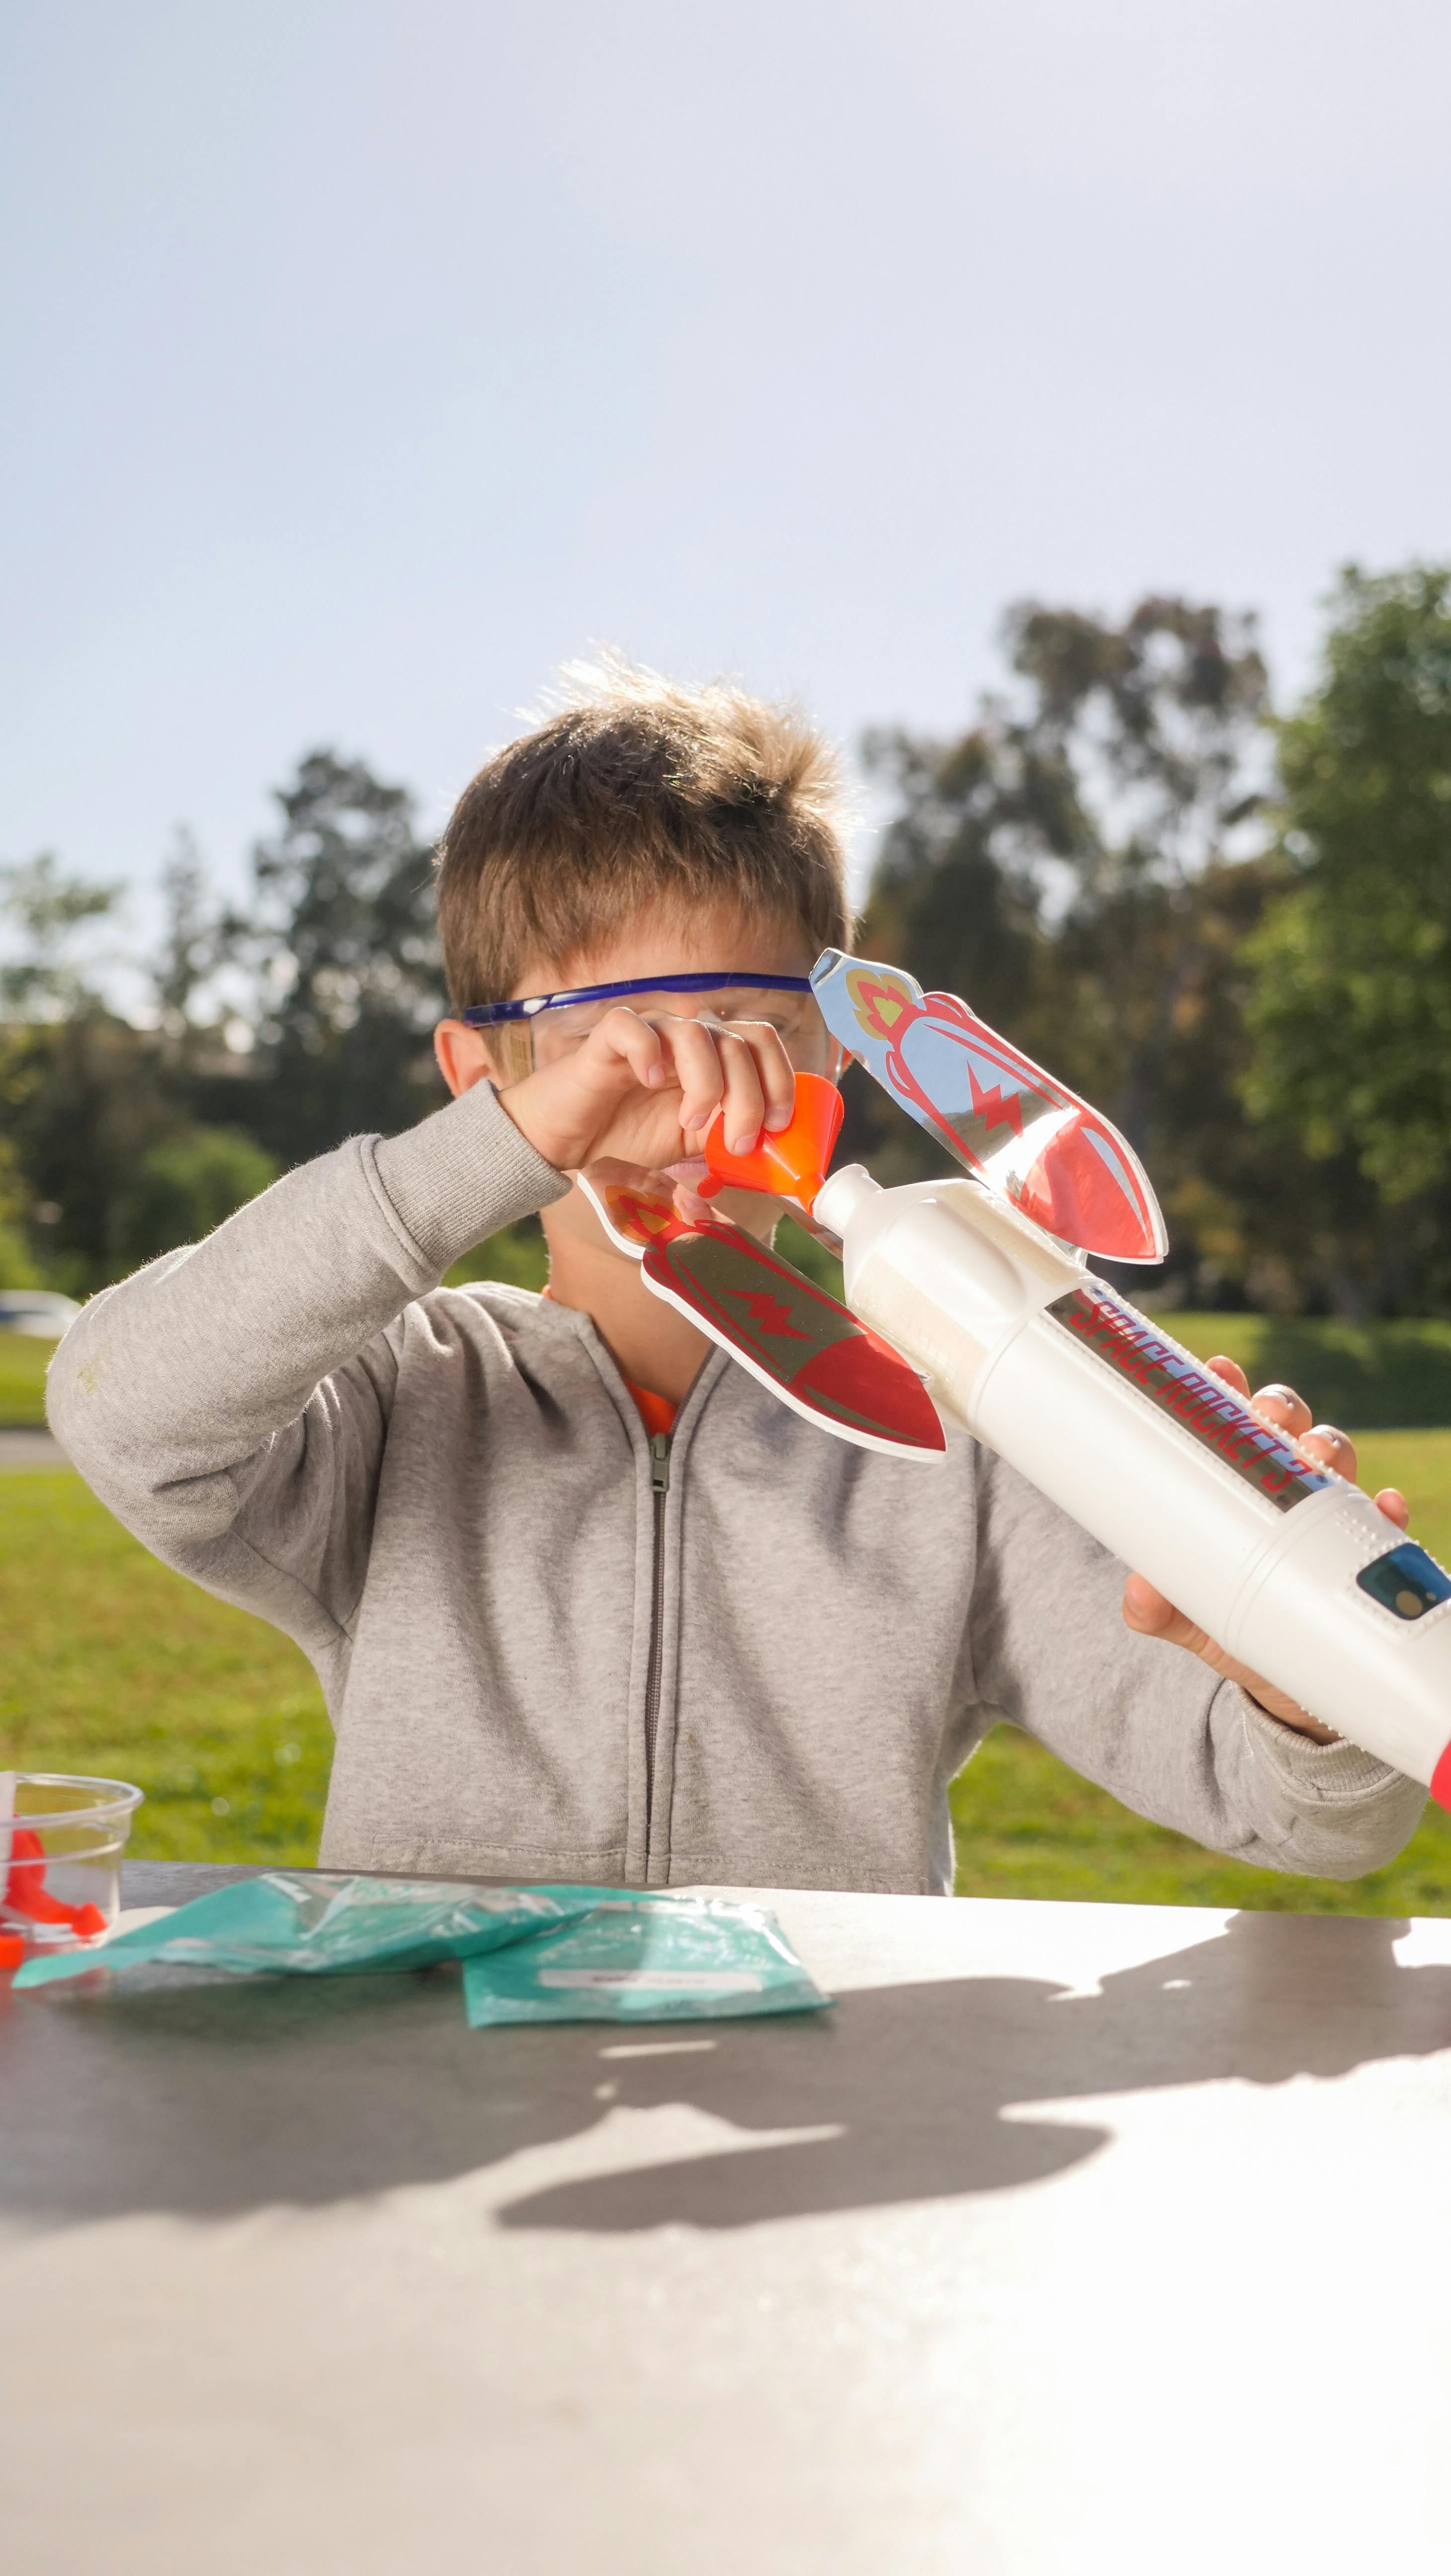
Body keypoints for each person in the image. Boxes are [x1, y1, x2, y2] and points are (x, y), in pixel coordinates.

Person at [48, 663, 1426, 1893]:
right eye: (628, 1048)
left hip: (811, 2130)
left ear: (830, 1066)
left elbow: (1309, 1821)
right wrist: (499, 1156)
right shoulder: (405, 1399)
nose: (698, 1097)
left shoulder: (946, 1437)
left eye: (753, 1037)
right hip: (444, 2117)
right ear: (484, 1083)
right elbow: (125, 1410)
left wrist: (1292, 1684)